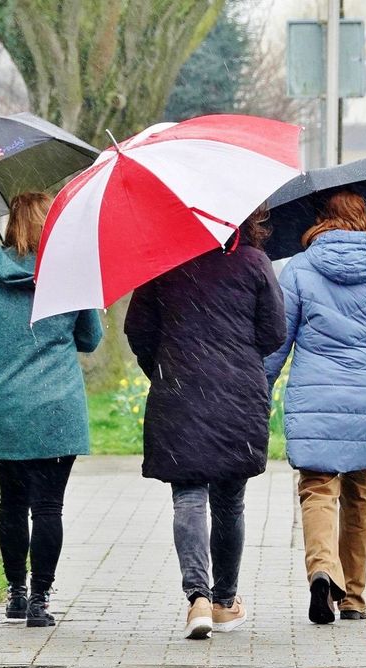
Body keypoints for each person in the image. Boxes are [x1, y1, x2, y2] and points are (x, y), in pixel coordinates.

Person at [124, 206, 286, 640]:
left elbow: (138, 331)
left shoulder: (162, 263)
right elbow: (273, 332)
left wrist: (167, 366)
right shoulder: (254, 262)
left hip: (180, 392)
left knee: (189, 498)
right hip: (238, 396)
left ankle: (195, 596)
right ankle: (224, 601)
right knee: (230, 502)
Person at [0, 191, 104, 628]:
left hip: (5, 407)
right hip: (57, 408)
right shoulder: (69, 270)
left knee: (11, 505)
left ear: (12, 224)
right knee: (49, 508)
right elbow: (90, 338)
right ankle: (39, 601)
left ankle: (15, 593)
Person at [263, 191, 366, 625]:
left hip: (317, 395)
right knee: (360, 493)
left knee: (318, 487)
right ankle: (355, 599)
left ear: (321, 217)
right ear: (364, 216)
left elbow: (277, 341)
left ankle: (323, 570)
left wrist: (261, 390)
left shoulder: (300, 269)